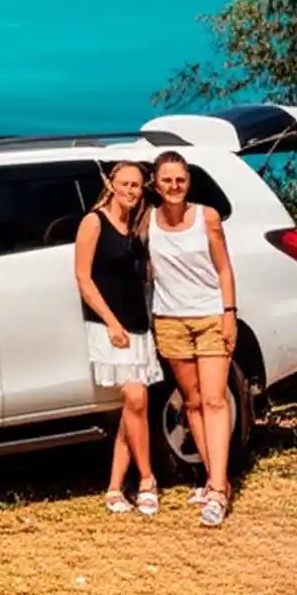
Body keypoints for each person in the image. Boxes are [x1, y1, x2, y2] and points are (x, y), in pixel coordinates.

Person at [146, 150, 238, 527]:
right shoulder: (146, 221)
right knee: (193, 401)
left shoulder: (207, 217)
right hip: (169, 320)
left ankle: (216, 489)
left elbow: (224, 268)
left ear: (188, 182)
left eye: (180, 179)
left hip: (210, 317)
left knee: (215, 400)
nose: (173, 186)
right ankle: (217, 478)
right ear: (156, 183)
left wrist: (229, 314)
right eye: (166, 179)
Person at [74, 161, 165, 517]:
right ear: (111, 184)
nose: (130, 190)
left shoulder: (139, 226)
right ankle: (147, 479)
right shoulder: (93, 222)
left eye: (137, 186)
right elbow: (83, 278)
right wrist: (111, 323)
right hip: (109, 326)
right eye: (124, 183)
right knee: (135, 396)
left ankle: (114, 486)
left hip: (138, 325)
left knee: (134, 407)